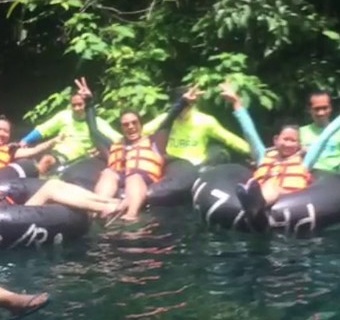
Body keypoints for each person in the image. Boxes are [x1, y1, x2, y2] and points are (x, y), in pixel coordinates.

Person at [0, 103, 127, 218]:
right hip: (3, 218)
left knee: (54, 184)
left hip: (13, 211)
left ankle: (108, 201)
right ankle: (105, 207)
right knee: (50, 189)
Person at [221, 83, 340, 224]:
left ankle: (255, 205)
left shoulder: (305, 162)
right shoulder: (263, 156)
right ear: (276, 140)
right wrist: (236, 103)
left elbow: (325, 136)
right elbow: (250, 133)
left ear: (299, 145)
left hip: (290, 199)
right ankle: (253, 202)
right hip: (261, 191)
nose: (288, 144)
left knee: (272, 186)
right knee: (264, 184)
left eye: (293, 141)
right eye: (285, 139)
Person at [76, 77, 189, 221]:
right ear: (121, 128)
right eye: (126, 124)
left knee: (134, 177)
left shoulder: (154, 143)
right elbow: (94, 131)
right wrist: (89, 103)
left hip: (142, 179)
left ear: (140, 125)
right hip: (117, 178)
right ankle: (100, 212)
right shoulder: (114, 146)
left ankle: (131, 216)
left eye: (134, 123)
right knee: (108, 173)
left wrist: (182, 102)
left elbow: (167, 122)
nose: (130, 127)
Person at [142, 86, 252, 165]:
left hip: (196, 165)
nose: (184, 111)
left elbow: (229, 138)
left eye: (188, 106)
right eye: (182, 106)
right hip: (170, 163)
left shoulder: (205, 121)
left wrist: (253, 151)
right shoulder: (166, 119)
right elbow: (142, 133)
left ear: (193, 105)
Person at [20, 88, 123, 174]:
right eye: (74, 105)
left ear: (86, 105)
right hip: (59, 153)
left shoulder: (97, 122)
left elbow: (118, 139)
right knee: (46, 160)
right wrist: (26, 140)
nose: (77, 108)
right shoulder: (64, 116)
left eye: (80, 104)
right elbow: (43, 129)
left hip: (81, 158)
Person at [0, 87, 62, 172]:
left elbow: (34, 150)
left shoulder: (11, 150)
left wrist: (52, 141)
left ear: (9, 135)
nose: (1, 133)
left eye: (6, 131)